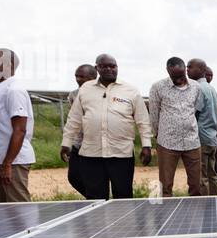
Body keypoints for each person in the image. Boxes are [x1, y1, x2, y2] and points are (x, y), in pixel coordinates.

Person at [61, 53, 152, 200]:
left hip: (121, 154)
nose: (109, 69)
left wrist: (146, 145)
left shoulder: (131, 91)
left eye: (113, 66)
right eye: (105, 66)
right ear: (97, 68)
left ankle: (123, 224)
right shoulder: (86, 89)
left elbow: (143, 121)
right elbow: (74, 119)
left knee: (123, 196)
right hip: (91, 154)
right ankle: (98, 224)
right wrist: (66, 143)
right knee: (95, 197)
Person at [148, 56, 204, 197]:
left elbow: (197, 109)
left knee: (196, 184)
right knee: (166, 186)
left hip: (192, 141)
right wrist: (157, 135)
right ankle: (166, 214)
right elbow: (154, 115)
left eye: (181, 75)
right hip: (167, 142)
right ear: (167, 71)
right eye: (174, 77)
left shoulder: (196, 87)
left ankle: (196, 213)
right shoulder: (157, 87)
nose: (178, 80)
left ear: (185, 70)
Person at [0, 48, 34, 203]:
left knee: (18, 209)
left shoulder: (14, 91)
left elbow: (20, 130)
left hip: (12, 162)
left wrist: (7, 164)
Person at [188, 58, 217, 195]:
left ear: (200, 70)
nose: (186, 70)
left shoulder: (198, 88)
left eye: (190, 67)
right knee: (212, 174)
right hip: (212, 138)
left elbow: (194, 113)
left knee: (201, 176)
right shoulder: (211, 88)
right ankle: (215, 202)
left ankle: (204, 207)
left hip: (201, 138)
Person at [65, 65, 97, 194]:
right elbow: (73, 119)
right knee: (74, 177)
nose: (78, 79)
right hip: (78, 142)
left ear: (93, 77)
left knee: (93, 176)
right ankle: (93, 198)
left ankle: (97, 200)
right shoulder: (73, 94)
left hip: (95, 143)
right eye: (76, 76)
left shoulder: (101, 93)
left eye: (82, 76)